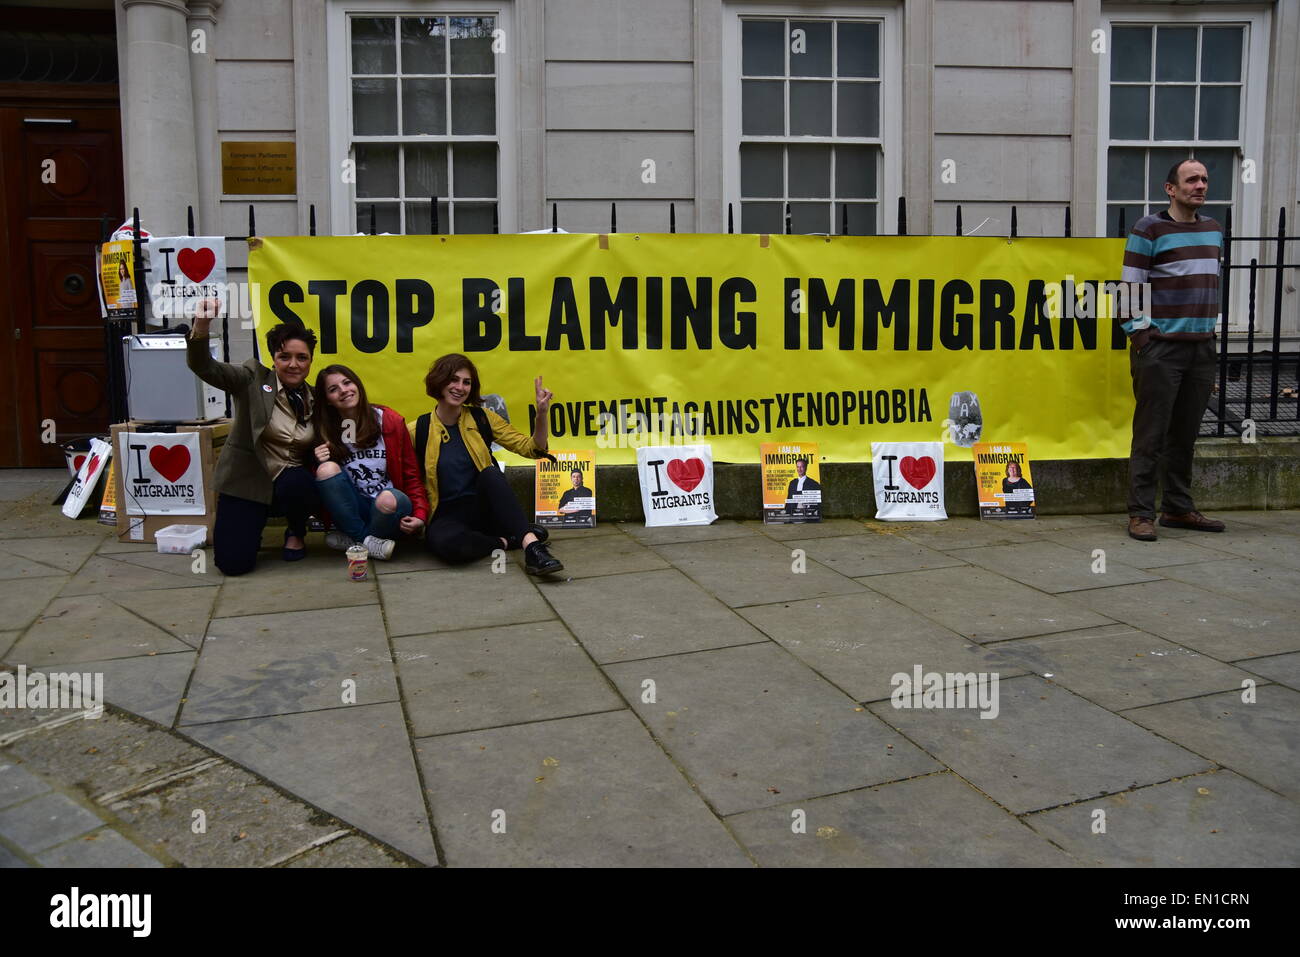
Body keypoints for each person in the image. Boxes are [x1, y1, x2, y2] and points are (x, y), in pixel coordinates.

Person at [1121, 157, 1226, 542]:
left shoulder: (1214, 230)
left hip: (1201, 349)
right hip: (1161, 350)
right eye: (1191, 180)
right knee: (1151, 434)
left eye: (1204, 180)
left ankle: (1178, 509)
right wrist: (1142, 338)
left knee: (1185, 434)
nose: (1200, 186)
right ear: (1171, 188)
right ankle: (1140, 513)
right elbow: (1128, 290)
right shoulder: (1148, 228)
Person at [186, 299, 321, 574]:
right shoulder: (252, 379)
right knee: (233, 565)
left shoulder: (314, 398)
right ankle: (249, 530)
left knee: (300, 481)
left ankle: (296, 530)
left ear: (310, 361)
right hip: (246, 483)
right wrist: (201, 325)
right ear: (274, 358)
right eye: (285, 357)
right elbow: (204, 367)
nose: (293, 365)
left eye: (302, 357)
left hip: (288, 486)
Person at [413, 354, 564, 575]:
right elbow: (409, 478)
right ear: (439, 381)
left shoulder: (482, 418)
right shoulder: (418, 429)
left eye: (467, 382)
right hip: (447, 515)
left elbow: (533, 449)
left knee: (490, 473)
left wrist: (541, 414)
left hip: (485, 509)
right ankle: (508, 539)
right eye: (453, 380)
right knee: (446, 547)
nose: (460, 387)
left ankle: (533, 548)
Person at [311, 364, 430, 560]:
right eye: (333, 389)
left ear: (357, 384)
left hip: (388, 509)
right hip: (355, 511)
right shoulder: (326, 430)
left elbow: (411, 474)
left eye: (347, 382)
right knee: (325, 470)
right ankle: (367, 542)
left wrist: (420, 515)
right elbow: (330, 491)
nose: (343, 390)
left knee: (387, 498)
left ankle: (355, 541)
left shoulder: (388, 420)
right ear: (328, 401)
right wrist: (318, 461)